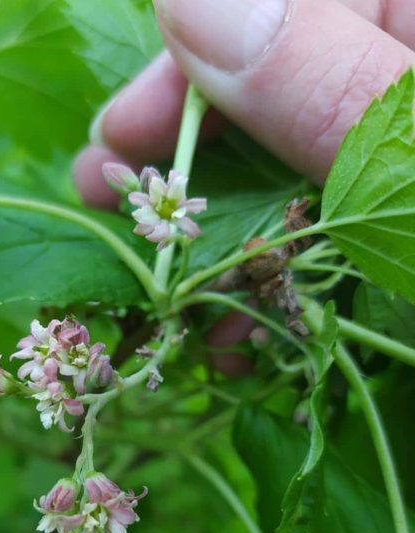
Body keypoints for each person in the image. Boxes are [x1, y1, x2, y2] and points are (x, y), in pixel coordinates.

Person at [73, 0, 415, 375]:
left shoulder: (178, 210)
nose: (168, 208)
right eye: (165, 207)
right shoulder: (172, 212)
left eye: (168, 206)